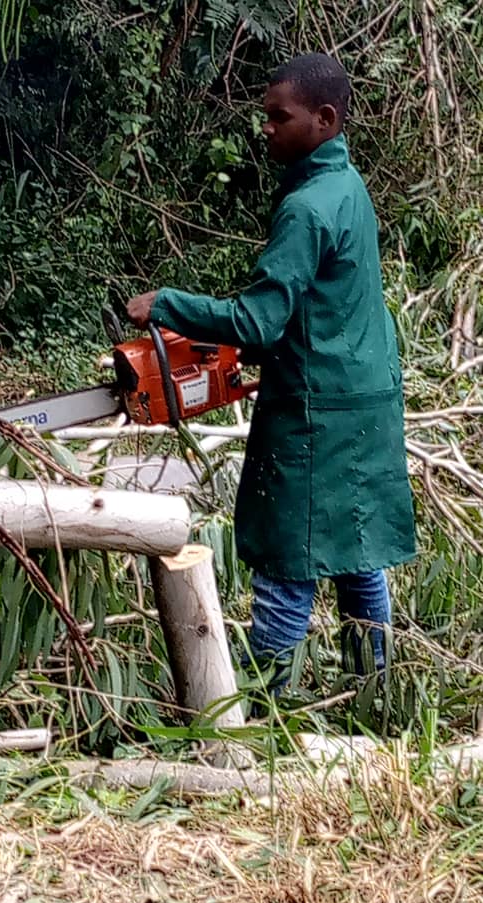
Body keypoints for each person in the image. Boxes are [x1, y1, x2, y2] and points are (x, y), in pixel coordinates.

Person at [126, 52, 415, 691]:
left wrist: (169, 303)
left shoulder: (309, 207)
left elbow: (258, 321)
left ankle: (262, 714)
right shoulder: (349, 186)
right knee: (357, 551)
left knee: (291, 557)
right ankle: (376, 692)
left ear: (324, 118)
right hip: (363, 396)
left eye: (278, 118)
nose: (267, 129)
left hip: (317, 410)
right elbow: (316, 304)